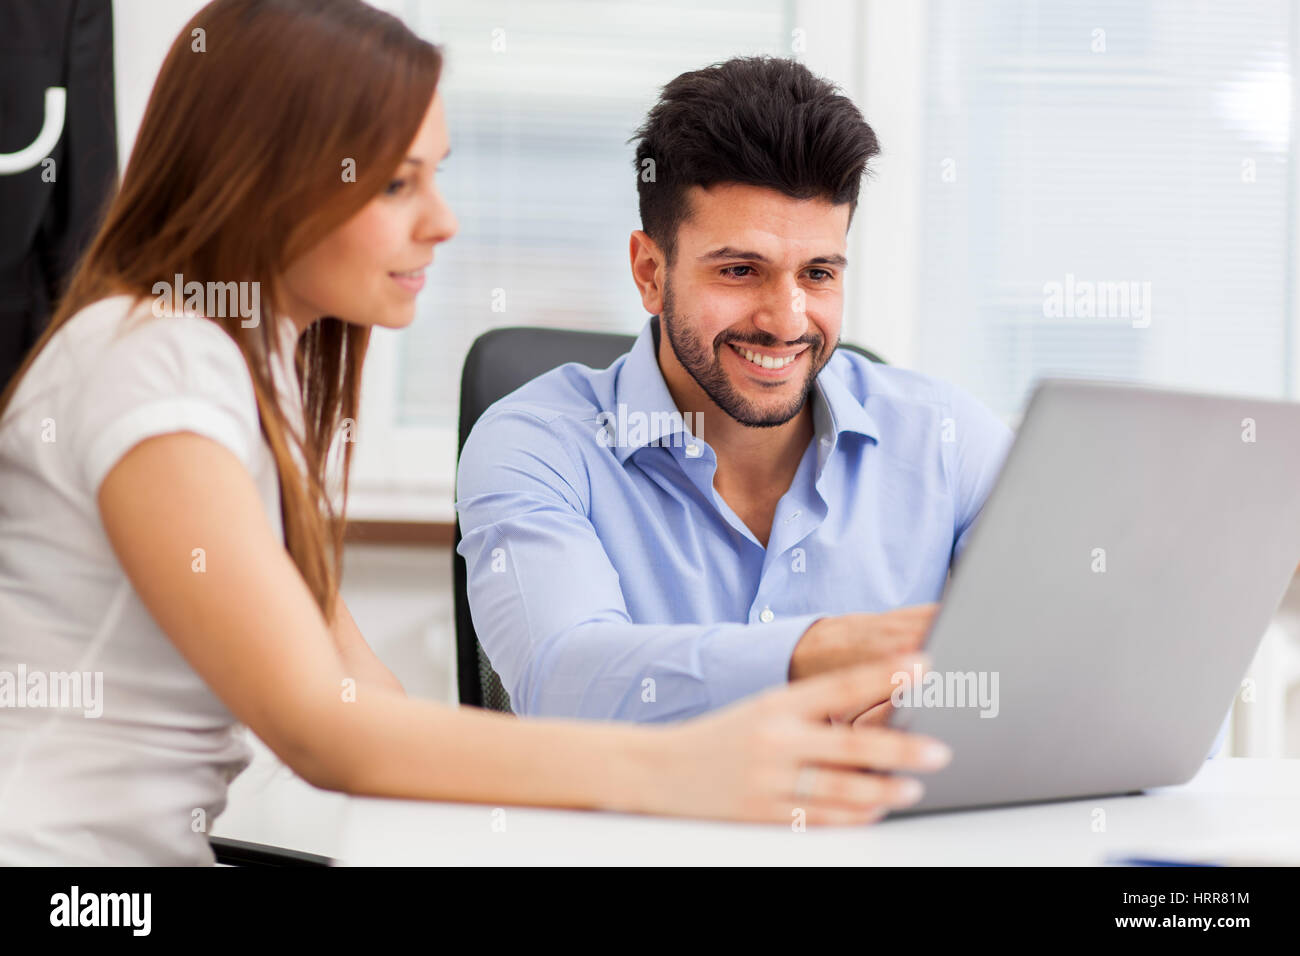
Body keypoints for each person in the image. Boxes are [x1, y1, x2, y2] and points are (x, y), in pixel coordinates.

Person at [0, 0, 951, 866]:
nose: (444, 223)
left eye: (436, 178)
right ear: (265, 181)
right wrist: (686, 767)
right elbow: (319, 731)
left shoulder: (247, 380)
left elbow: (369, 710)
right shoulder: (153, 363)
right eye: (395, 186)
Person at [456, 57, 1015, 721]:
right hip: (635, 828)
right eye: (742, 270)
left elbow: (1067, 644)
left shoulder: (947, 437)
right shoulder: (539, 442)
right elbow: (563, 682)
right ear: (649, 271)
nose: (786, 320)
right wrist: (814, 656)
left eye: (818, 274)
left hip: (879, 825)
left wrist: (925, 709)